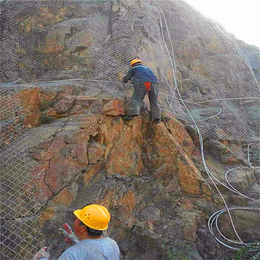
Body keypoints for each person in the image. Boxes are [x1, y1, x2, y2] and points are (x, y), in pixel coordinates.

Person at [33, 204, 120, 260]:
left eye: (77, 219)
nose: (75, 220)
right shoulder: (112, 244)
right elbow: (94, 252)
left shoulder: (71, 255)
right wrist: (77, 243)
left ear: (83, 228)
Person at [123, 59, 161, 123]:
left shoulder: (134, 68)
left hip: (142, 83)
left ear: (132, 65)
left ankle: (133, 114)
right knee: (154, 101)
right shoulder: (148, 68)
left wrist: (124, 81)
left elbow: (127, 77)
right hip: (154, 83)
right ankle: (157, 118)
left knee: (136, 99)